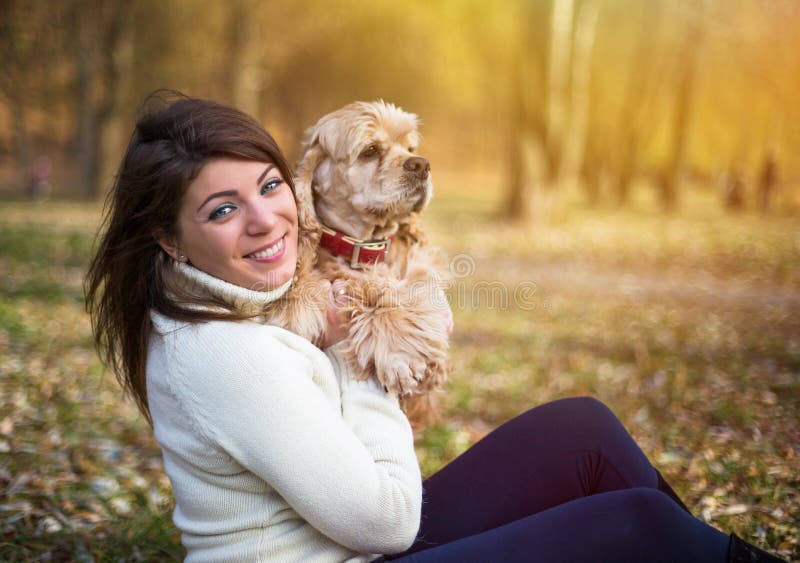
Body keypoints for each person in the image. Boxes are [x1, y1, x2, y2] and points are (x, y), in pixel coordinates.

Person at [85, 92, 785, 563]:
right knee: (641, 525)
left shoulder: (239, 298)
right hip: (359, 549)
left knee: (584, 430)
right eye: (221, 210)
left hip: (356, 543)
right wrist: (365, 339)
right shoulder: (226, 352)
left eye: (267, 188)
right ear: (169, 240)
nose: (266, 219)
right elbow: (388, 521)